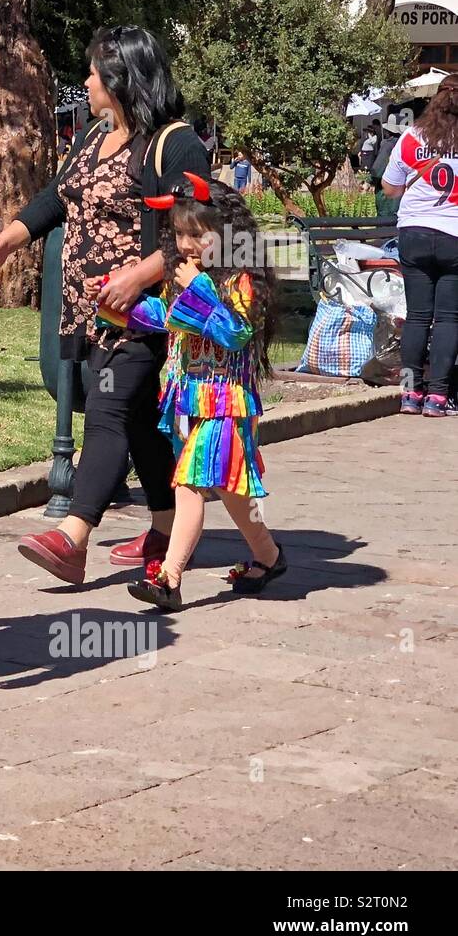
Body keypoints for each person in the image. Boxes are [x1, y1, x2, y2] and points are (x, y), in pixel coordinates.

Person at [0, 25, 210, 585]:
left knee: (108, 409)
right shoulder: (94, 135)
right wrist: (9, 239)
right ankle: (165, 528)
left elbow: (196, 231)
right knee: (138, 422)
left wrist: (138, 277)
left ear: (122, 79)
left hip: (149, 310)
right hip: (89, 308)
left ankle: (73, 534)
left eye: (95, 73)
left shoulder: (176, 142)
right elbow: (58, 195)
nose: (86, 82)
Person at [97, 174, 284, 610]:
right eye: (179, 234)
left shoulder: (242, 281)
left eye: (197, 235)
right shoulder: (187, 278)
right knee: (233, 492)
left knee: (189, 483)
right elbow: (167, 316)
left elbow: (234, 333)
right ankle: (269, 557)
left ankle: (169, 577)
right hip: (191, 400)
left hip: (228, 403)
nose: (185, 245)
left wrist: (197, 288)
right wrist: (116, 307)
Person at [383, 73, 458, 417]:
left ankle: (410, 394)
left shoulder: (412, 136)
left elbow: (389, 187)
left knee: (417, 316)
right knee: (447, 319)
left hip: (413, 232)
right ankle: (438, 397)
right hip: (454, 236)